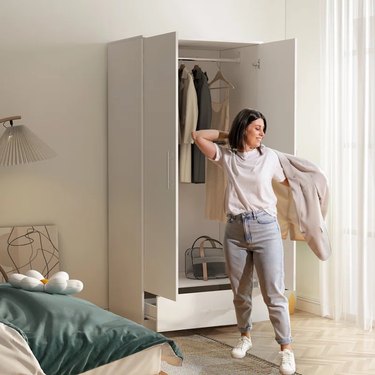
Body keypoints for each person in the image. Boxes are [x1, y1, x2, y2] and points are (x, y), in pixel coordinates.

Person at [191, 108, 296, 375]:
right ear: (244, 128)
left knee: (274, 293)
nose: (262, 133)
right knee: (240, 292)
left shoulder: (269, 157)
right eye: (257, 128)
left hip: (265, 229)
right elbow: (197, 136)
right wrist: (232, 136)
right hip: (235, 231)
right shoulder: (228, 157)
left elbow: (289, 183)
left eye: (263, 128)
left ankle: (286, 351)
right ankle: (245, 336)